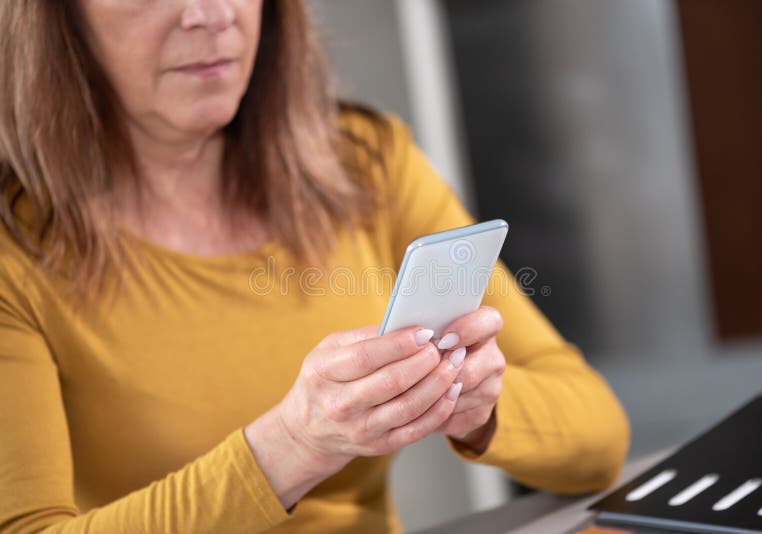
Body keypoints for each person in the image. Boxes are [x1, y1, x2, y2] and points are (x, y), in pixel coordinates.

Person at [0, 1, 630, 532]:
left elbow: (600, 437)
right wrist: (293, 447)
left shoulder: (365, 164)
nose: (212, 15)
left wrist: (478, 406)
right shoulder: (15, 253)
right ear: (59, 20)